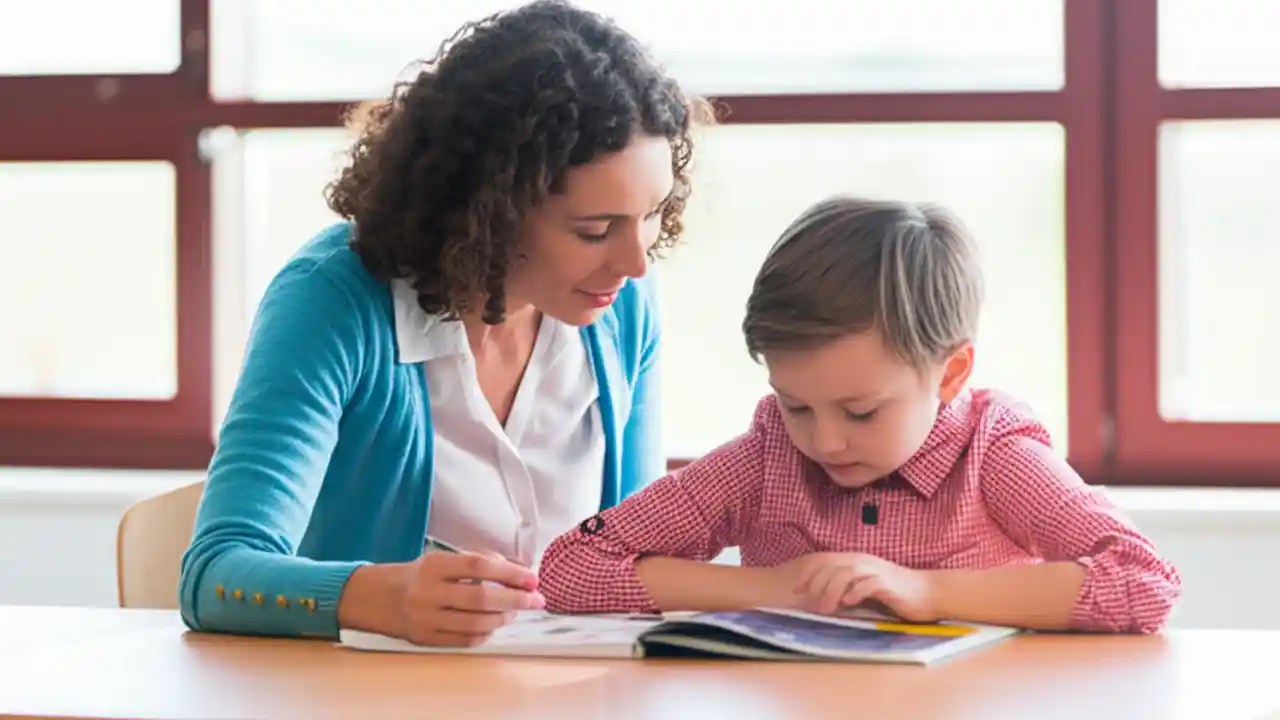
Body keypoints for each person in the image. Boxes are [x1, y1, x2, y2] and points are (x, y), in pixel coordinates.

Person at [179, 0, 704, 646]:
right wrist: (373, 596)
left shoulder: (619, 306)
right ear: (491, 208)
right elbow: (214, 575)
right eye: (594, 230)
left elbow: (636, 557)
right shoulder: (334, 302)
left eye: (651, 215)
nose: (635, 262)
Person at [539, 196, 1183, 634]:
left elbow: (1144, 582)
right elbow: (571, 569)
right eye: (795, 405)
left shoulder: (995, 454)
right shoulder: (768, 456)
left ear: (951, 374)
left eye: (862, 411)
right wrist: (774, 588)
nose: (824, 440)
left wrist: (926, 592)